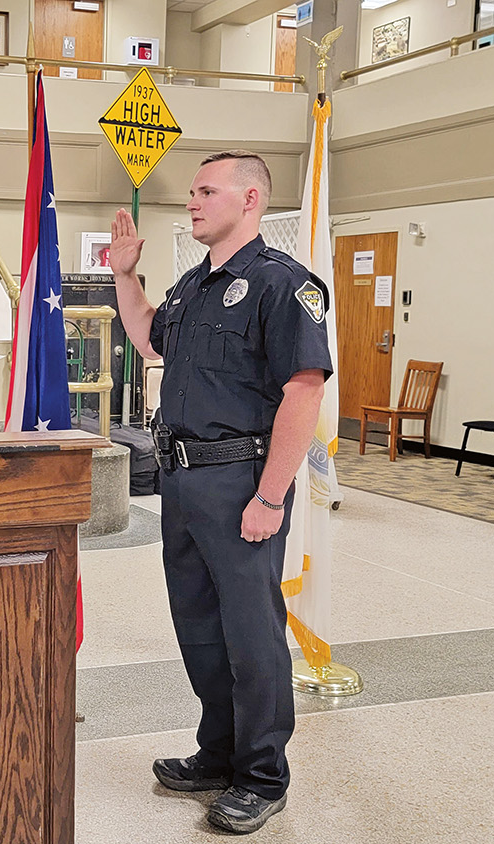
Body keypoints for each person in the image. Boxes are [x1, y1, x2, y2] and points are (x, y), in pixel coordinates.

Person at [107, 150, 331, 835]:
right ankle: (218, 753)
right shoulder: (194, 287)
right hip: (183, 480)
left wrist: (270, 497)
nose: (193, 202)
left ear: (251, 199)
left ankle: (262, 776)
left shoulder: (281, 284)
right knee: (200, 627)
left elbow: (304, 390)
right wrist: (123, 275)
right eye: (193, 192)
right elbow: (151, 342)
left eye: (207, 191)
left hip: (242, 483)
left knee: (251, 633)